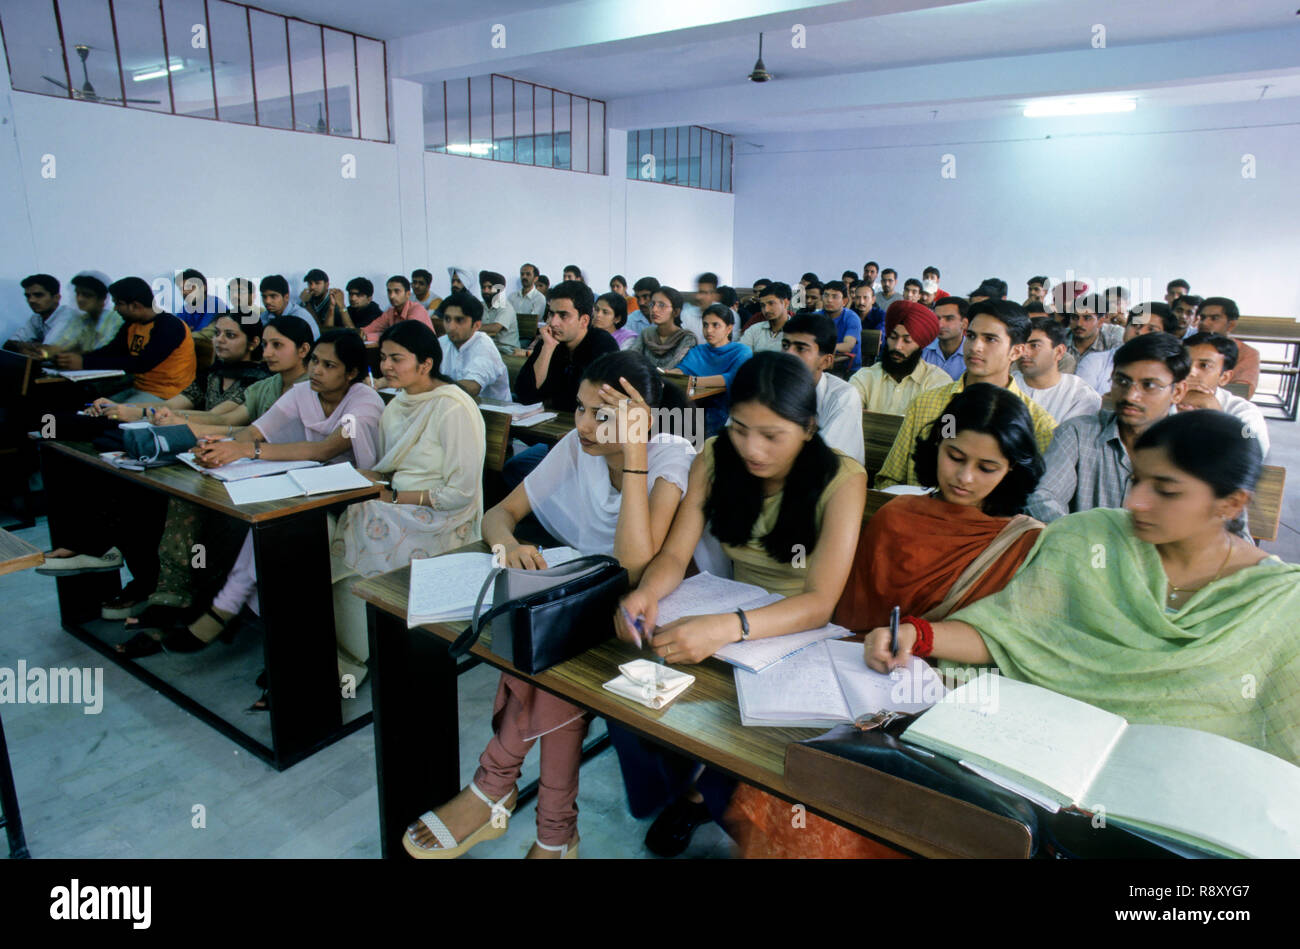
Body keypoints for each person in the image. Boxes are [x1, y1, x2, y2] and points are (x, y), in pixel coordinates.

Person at [868, 410, 1300, 766]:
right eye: (1136, 480)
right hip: (1037, 757)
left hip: (1180, 794)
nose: (1135, 503)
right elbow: (1010, 633)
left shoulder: (1279, 604)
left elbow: (1281, 735)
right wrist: (915, 635)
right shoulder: (1090, 538)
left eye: (1165, 491)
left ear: (1231, 503)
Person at [730, 384, 1046, 858]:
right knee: (789, 791)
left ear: (1013, 470)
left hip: (955, 721)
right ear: (936, 445)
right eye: (954, 455)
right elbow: (849, 622)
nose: (964, 477)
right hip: (863, 696)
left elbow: (1012, 648)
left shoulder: (1025, 544)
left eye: (987, 468)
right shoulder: (897, 516)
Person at [403, 351, 696, 860]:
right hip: (594, 601)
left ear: (640, 417)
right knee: (545, 651)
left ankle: (498, 786)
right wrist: (508, 547)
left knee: (547, 658)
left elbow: (634, 565)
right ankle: (554, 833)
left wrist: (633, 454)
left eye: (601, 414)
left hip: (660, 607)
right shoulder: (575, 445)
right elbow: (498, 514)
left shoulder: (670, 455)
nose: (582, 424)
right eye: (580, 408)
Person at [612, 352, 867, 856]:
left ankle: (706, 791)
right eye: (740, 428)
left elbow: (818, 602)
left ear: (809, 428)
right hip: (732, 616)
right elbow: (673, 554)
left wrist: (729, 626)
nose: (752, 448)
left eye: (772, 435)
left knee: (755, 742)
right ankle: (691, 786)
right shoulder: (712, 456)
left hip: (799, 633)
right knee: (632, 698)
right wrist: (646, 591)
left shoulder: (841, 479)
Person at [150, 331, 385, 699]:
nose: (317, 372)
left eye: (329, 365)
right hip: (305, 485)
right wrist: (222, 448)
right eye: (314, 363)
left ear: (352, 372)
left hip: (357, 493)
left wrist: (250, 451)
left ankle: (230, 610)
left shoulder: (364, 401)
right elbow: (257, 429)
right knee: (266, 520)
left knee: (287, 526)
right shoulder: (304, 392)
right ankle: (245, 620)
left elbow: (325, 450)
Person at [117, 317, 316, 641]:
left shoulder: (312, 388)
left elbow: (251, 434)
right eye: (265, 344)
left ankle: (208, 603)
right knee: (183, 492)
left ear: (304, 350)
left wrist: (197, 430)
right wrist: (181, 422)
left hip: (291, 474)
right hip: (254, 464)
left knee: (209, 509)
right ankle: (177, 596)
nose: (267, 353)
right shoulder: (265, 386)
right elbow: (228, 422)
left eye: (277, 345)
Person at [330, 320, 487, 682]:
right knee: (347, 514)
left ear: (426, 364)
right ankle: (354, 645)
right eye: (383, 357)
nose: (386, 366)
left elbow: (460, 493)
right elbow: (390, 469)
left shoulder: (453, 407)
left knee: (362, 515)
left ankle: (363, 651)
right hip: (400, 505)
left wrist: (395, 496)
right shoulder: (397, 403)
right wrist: (381, 488)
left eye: (396, 358)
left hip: (442, 515)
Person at [875, 299, 1055, 489]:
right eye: (970, 336)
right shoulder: (929, 403)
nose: (975, 347)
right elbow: (889, 479)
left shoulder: (1039, 425)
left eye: (990, 339)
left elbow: (1034, 504)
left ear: (1016, 351)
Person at [1026, 333, 1187, 523]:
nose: (1130, 396)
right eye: (1122, 381)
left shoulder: (1194, 451)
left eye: (1149, 385)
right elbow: (1042, 498)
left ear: (1177, 392)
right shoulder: (1078, 433)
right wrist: (1088, 542)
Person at [507, 281, 620, 485]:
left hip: (595, 441)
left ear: (584, 320)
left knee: (552, 480)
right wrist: (547, 349)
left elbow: (591, 400)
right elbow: (526, 393)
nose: (553, 322)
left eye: (563, 315)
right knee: (513, 469)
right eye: (551, 314)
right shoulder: (550, 342)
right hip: (559, 440)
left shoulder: (602, 344)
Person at [87, 313, 269, 424]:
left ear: (253, 343)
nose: (219, 340)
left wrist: (138, 412)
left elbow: (215, 418)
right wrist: (119, 407)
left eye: (229, 335)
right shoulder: (215, 373)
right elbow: (169, 405)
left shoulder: (258, 380)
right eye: (216, 333)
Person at [52, 276, 196, 403]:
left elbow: (142, 364)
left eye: (118, 304)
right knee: (89, 405)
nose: (115, 309)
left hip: (168, 396)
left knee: (103, 415)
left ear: (135, 306)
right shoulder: (132, 324)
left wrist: (84, 363)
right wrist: (77, 359)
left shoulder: (170, 326)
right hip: (140, 388)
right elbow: (112, 350)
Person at [779, 314, 865, 464]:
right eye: (785, 345)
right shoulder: (766, 384)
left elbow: (822, 462)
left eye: (800, 348)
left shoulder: (843, 396)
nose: (788, 355)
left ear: (825, 362)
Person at [849, 300, 951, 414]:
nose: (897, 347)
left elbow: (944, 429)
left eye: (907, 341)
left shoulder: (937, 382)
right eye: (893, 337)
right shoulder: (865, 377)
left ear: (920, 345)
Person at [665, 303, 752, 436]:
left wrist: (692, 384)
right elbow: (682, 370)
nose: (708, 330)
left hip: (725, 411)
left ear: (729, 328)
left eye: (715, 325)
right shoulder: (699, 350)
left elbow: (731, 379)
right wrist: (667, 375)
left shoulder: (741, 351)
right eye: (705, 325)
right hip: (693, 407)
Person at [1178, 332, 1269, 457]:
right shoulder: (1162, 400)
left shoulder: (1245, 413)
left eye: (1204, 365)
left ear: (1224, 378)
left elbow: (1251, 456)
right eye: (1185, 363)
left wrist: (1218, 417)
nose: (1190, 372)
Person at [1075, 302, 1179, 395]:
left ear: (1166, 337)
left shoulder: (1170, 371)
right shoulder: (1095, 361)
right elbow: (1080, 406)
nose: (1140, 332)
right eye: (1135, 325)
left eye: (1151, 329)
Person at [1014, 316, 1103, 423]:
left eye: (1034, 345)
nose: (1023, 353)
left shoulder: (1081, 396)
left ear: (1059, 352)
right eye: (1020, 346)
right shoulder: (1006, 384)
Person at [438, 290, 511, 401]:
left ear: (476, 325)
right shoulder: (442, 342)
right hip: (452, 407)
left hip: (492, 414)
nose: (451, 327)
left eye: (459, 320)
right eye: (447, 319)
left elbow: (471, 387)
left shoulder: (484, 346)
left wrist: (431, 388)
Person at [7, 273, 96, 356]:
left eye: (38, 295)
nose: (31, 300)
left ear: (56, 298)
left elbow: (46, 352)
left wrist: (23, 347)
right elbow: (8, 344)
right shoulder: (36, 318)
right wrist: (26, 349)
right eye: (28, 296)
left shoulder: (68, 317)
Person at [1196, 297, 1259, 399]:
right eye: (1202, 318)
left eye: (1214, 318)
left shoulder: (1248, 353)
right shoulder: (1188, 347)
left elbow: (1241, 392)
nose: (1204, 323)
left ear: (1231, 325)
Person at [630, 285, 698, 370]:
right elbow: (631, 358)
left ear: (676, 312)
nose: (654, 309)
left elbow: (671, 369)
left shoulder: (687, 338)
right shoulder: (646, 333)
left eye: (661, 305)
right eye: (652, 304)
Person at [363, 276, 434, 343]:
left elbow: (403, 336)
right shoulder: (390, 312)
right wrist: (361, 333)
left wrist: (368, 337)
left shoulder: (417, 310)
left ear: (408, 294)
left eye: (397, 291)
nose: (392, 296)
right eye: (389, 291)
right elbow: (370, 328)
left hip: (424, 352)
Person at [69, 270, 123, 351]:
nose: (79, 299)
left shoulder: (115, 321)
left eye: (86, 295)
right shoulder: (82, 320)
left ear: (102, 298)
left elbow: (103, 353)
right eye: (77, 293)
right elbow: (63, 343)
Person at [254, 274, 319, 338]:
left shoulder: (299, 317)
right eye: (264, 297)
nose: (267, 301)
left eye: (273, 296)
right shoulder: (265, 316)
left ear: (286, 297)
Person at [921, 296, 969, 380]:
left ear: (964, 323)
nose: (940, 325)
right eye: (937, 318)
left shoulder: (972, 353)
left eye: (949, 319)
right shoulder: (923, 349)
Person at [819, 280, 861, 372]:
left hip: (848, 369)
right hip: (822, 365)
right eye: (826, 295)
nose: (829, 300)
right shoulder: (816, 316)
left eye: (835, 297)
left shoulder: (852, 318)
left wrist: (821, 348)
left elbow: (848, 346)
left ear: (844, 301)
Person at [739, 281, 791, 354]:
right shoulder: (754, 329)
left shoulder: (797, 330)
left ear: (785, 303)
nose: (766, 310)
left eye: (771, 303)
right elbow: (741, 354)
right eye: (763, 305)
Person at [477, 270, 520, 354]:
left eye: (490, 287)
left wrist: (470, 328)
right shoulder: (480, 306)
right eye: (483, 287)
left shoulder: (505, 306)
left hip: (508, 350)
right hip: (489, 347)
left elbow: (495, 328)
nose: (485, 291)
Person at [174, 269, 226, 333]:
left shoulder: (215, 304)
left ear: (203, 287)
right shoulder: (185, 309)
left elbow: (204, 334)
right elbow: (174, 331)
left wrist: (185, 333)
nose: (184, 292)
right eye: (181, 288)